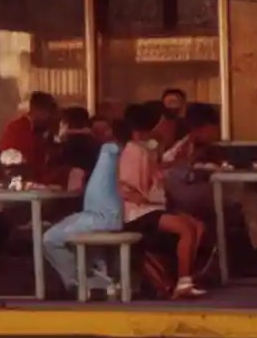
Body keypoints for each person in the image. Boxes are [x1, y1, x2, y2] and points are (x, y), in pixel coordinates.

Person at [118, 104, 208, 299]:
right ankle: (183, 281)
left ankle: (182, 276)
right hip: (140, 213)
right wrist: (140, 198)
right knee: (186, 228)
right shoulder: (134, 151)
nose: (169, 128)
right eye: (164, 124)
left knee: (197, 226)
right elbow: (124, 185)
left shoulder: (147, 150)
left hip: (153, 208)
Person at [162, 103, 257, 262]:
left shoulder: (205, 148)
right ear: (203, 128)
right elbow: (174, 170)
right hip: (186, 196)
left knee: (247, 194)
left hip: (193, 193)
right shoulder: (184, 148)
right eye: (214, 128)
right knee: (248, 196)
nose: (217, 132)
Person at [42, 117, 129, 299]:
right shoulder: (95, 153)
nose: (96, 133)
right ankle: (86, 281)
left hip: (103, 216)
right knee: (50, 237)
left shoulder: (111, 151)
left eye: (103, 130)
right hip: (90, 213)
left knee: (53, 240)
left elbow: (118, 145)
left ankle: (83, 283)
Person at [0, 91, 61, 183]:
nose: (51, 117)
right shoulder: (18, 129)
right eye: (49, 112)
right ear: (38, 110)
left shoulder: (44, 132)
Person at [53, 106, 100, 192]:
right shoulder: (95, 143)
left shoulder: (67, 145)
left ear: (68, 123)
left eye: (62, 122)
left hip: (70, 194)